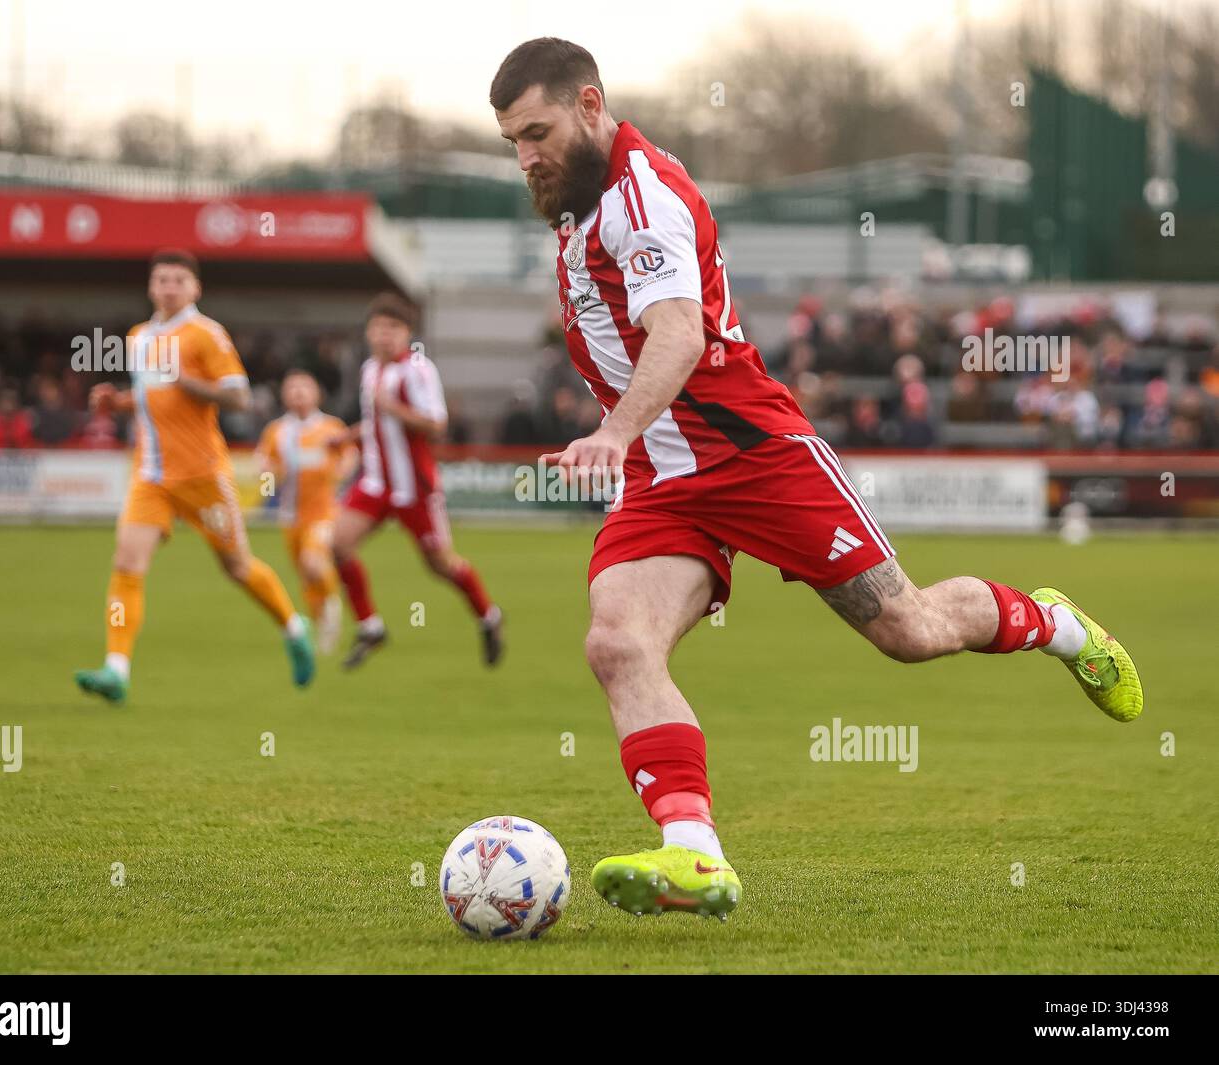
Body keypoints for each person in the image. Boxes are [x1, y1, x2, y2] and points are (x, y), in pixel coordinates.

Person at [490, 37, 1144, 922]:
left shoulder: (640, 199)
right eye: (512, 143)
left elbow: (680, 333)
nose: (525, 156)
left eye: (536, 132)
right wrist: (630, 439)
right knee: (616, 644)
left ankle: (1062, 627)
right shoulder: (580, 194)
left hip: (755, 454)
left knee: (908, 629)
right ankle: (696, 855)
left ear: (592, 104)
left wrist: (611, 429)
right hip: (662, 473)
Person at [73, 249, 315, 705]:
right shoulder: (138, 337)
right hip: (151, 476)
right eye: (161, 279)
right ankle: (116, 669)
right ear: (150, 286)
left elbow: (239, 396)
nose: (169, 287)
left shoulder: (206, 334)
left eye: (178, 280)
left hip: (203, 477)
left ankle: (293, 627)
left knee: (237, 567)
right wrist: (117, 402)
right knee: (127, 565)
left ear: (195, 288)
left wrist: (189, 383)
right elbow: (152, 397)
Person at [332, 292, 504, 669]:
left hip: (416, 490)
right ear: (368, 332)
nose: (384, 335)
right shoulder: (369, 370)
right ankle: (371, 626)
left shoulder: (418, 370)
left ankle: (488, 616)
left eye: (393, 328)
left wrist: (391, 407)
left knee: (440, 564)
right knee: (338, 544)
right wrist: (352, 434)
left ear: (407, 333)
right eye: (378, 328)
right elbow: (378, 422)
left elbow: (436, 424)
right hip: (376, 484)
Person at [255, 369, 356, 654]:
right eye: (292, 388)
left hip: (324, 513)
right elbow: (265, 466)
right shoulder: (276, 431)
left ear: (316, 394)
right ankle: (321, 621)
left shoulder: (331, 427)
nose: (298, 393)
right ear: (284, 395)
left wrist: (343, 469)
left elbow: (349, 454)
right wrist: (267, 475)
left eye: (304, 387)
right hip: (290, 516)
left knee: (314, 562)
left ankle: (333, 602)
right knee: (306, 577)